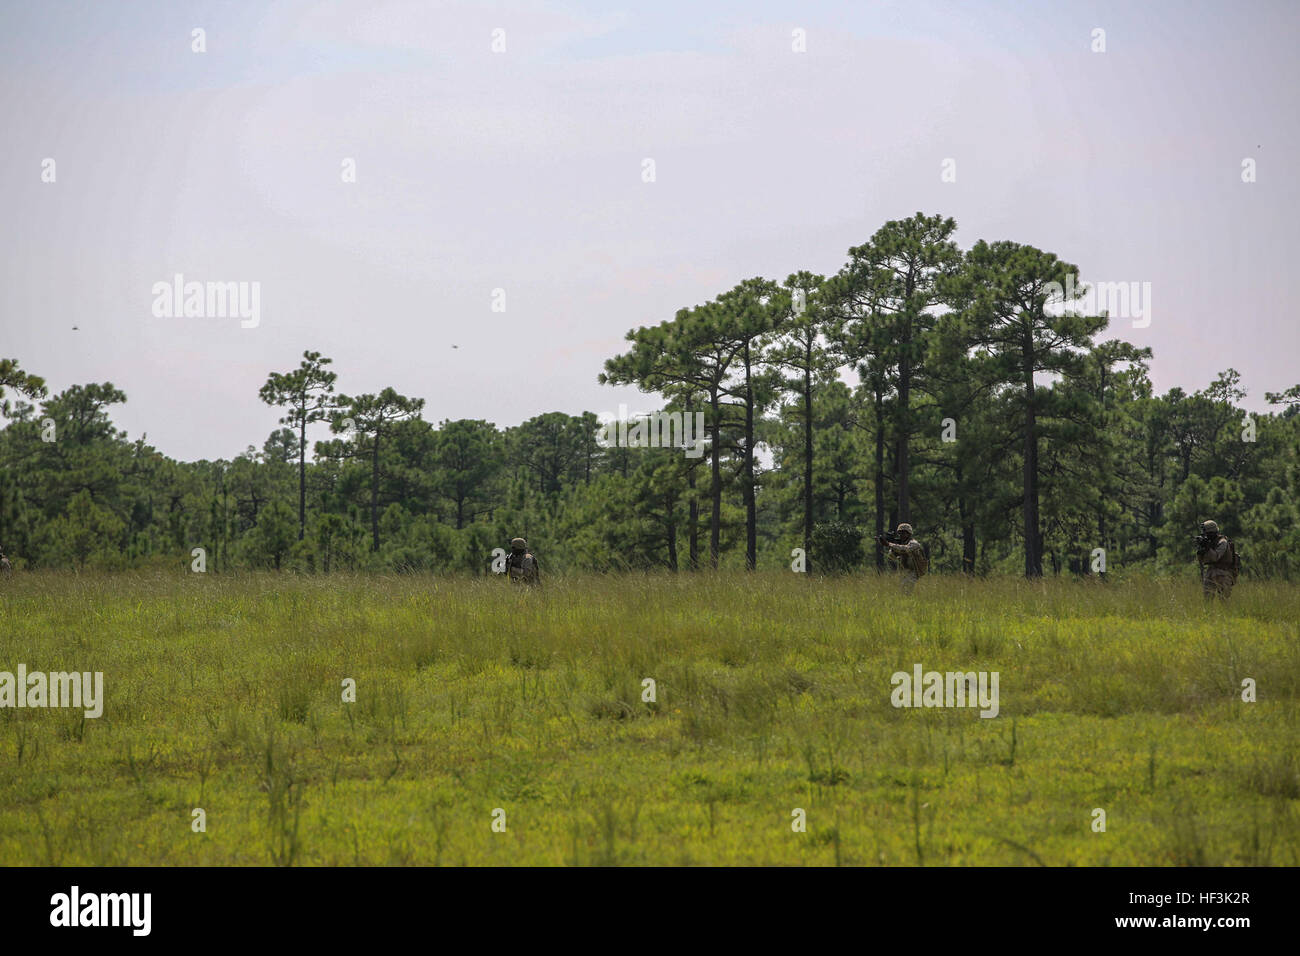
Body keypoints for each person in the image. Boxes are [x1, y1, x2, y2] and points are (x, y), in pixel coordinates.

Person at [1196, 519, 1236, 600]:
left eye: (1206, 533)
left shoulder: (1222, 542)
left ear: (1212, 532)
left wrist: (1207, 547)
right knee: (1207, 601)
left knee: (1224, 600)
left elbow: (1215, 557)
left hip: (1223, 573)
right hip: (1210, 572)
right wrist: (1201, 550)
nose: (1205, 535)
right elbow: (1201, 561)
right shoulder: (1210, 542)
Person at [881, 523, 927, 592]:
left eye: (903, 533)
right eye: (900, 533)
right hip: (904, 571)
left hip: (913, 571)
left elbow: (906, 549)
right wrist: (892, 548)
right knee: (902, 590)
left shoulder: (914, 543)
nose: (901, 535)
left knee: (906, 590)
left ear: (909, 534)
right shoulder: (900, 544)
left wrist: (889, 544)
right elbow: (891, 557)